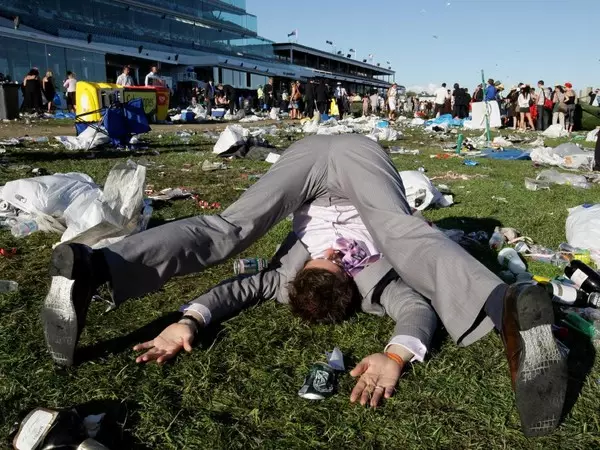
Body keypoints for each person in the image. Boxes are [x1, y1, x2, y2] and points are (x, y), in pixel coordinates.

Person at [42, 134, 568, 437]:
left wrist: (187, 320)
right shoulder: (372, 284)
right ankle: (508, 308)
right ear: (351, 280)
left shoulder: (280, 277)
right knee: (402, 236)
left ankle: (98, 268)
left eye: (325, 259)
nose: (334, 252)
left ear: (302, 272)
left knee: (228, 230)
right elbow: (413, 308)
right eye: (338, 261)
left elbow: (232, 291)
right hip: (357, 161)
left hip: (312, 154)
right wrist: (396, 354)